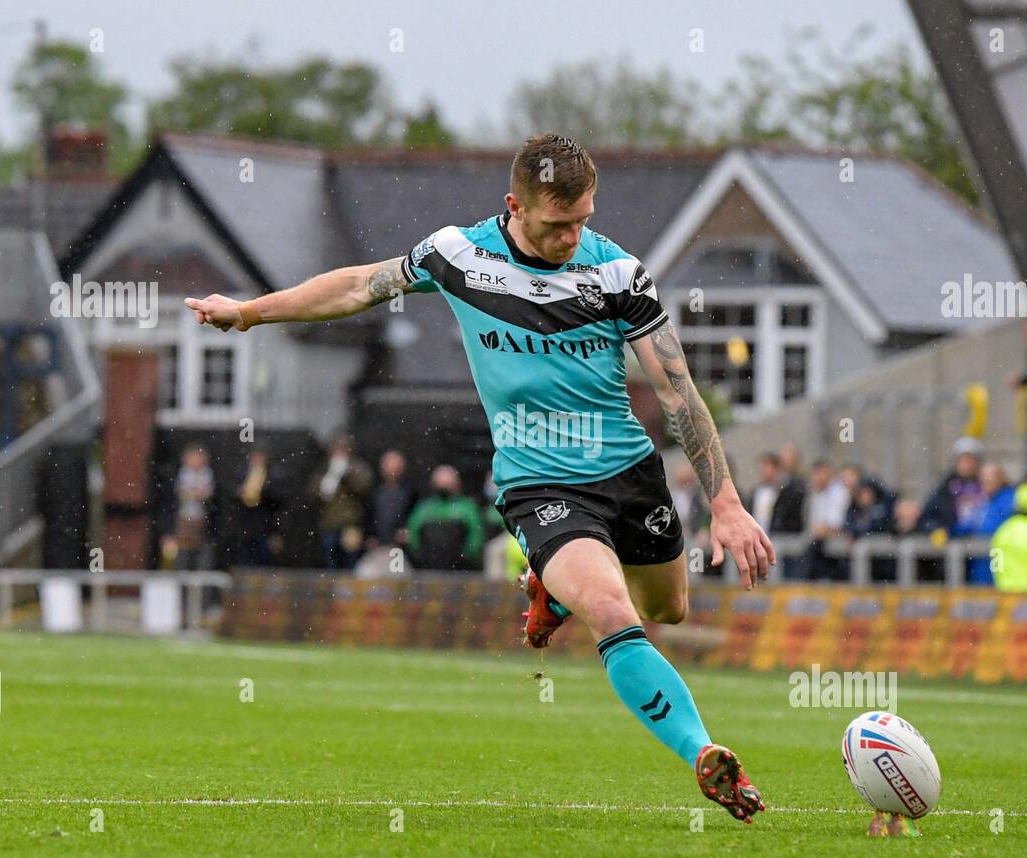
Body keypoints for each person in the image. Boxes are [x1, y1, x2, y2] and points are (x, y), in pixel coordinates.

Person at [184, 133, 774, 823]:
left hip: (629, 472)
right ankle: (704, 754)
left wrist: (725, 502)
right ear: (514, 207)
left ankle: (547, 590)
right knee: (612, 613)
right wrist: (251, 312)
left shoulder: (617, 275)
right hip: (540, 483)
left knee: (667, 608)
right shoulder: (459, 255)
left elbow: (678, 394)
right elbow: (357, 286)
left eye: (583, 218)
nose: (572, 236)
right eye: (558, 224)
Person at [404, 465, 485, 571]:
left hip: (461, 569)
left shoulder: (467, 507)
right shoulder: (424, 507)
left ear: (457, 483)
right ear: (433, 483)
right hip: (428, 567)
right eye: (441, 482)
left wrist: (466, 557)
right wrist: (420, 557)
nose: (444, 485)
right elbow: (412, 533)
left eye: (448, 482)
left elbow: (476, 536)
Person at [311, 434, 374, 570]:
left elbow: (364, 487)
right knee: (330, 562)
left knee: (350, 562)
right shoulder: (325, 468)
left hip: (350, 524)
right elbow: (317, 493)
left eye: (343, 449)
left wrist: (347, 475)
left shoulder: (358, 467)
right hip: (329, 524)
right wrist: (331, 477)